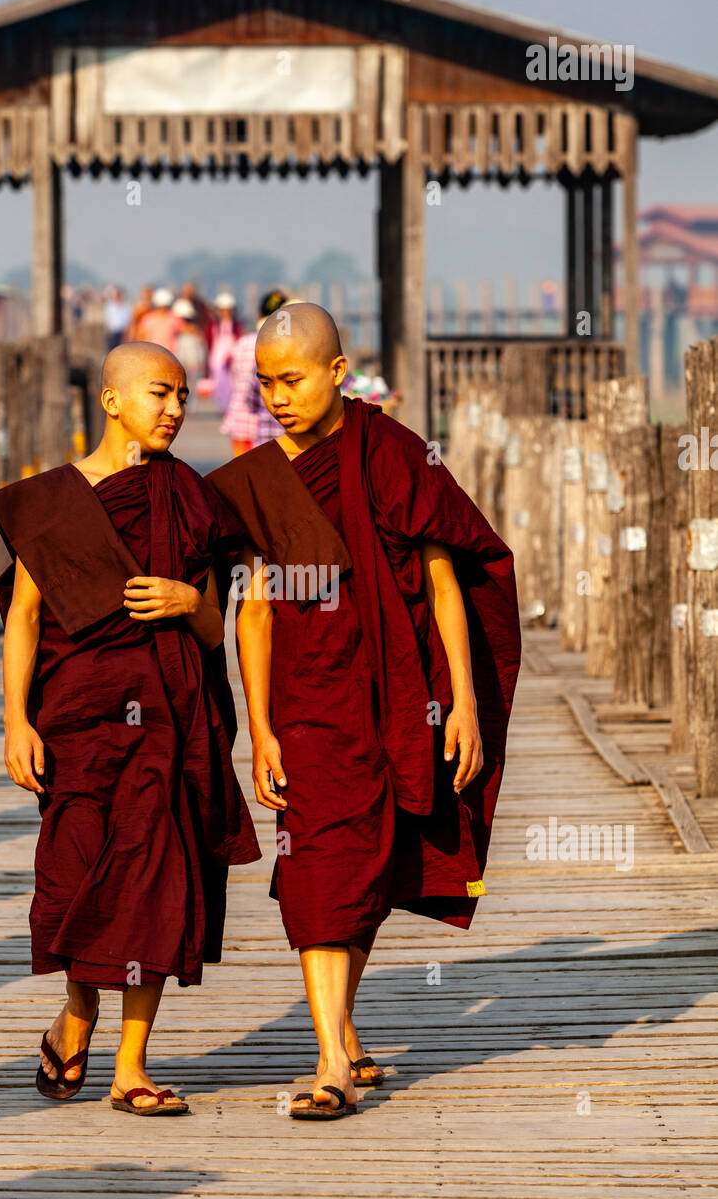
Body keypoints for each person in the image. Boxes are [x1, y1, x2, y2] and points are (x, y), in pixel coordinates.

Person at [207, 303, 521, 1120]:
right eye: (265, 382)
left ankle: (340, 1031)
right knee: (317, 866)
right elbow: (256, 610)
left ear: (338, 373)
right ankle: (327, 1061)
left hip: (400, 698)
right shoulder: (260, 481)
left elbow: (444, 580)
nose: (278, 397)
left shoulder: (392, 452)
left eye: (293, 379)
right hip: (309, 702)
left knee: (372, 862)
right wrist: (262, 728)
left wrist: (464, 706)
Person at [0, 343, 260, 1116]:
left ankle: (132, 1067)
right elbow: (25, 620)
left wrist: (186, 603)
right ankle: (78, 1011)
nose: (175, 409)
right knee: (80, 875)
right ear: (112, 401)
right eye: (159, 393)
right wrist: (15, 722)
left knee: (157, 881)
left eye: (180, 396)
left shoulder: (192, 499)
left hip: (168, 724)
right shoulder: (55, 504)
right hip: (78, 722)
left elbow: (214, 631)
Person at [221, 288, 289, 457]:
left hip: (240, 417)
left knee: (241, 473)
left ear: (259, 314)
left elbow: (233, 377)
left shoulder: (243, 343)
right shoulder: (285, 347)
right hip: (269, 422)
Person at [208, 291, 243, 415]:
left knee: (231, 383)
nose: (225, 313)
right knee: (219, 382)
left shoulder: (236, 325)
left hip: (232, 357)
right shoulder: (214, 324)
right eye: (223, 310)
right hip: (217, 357)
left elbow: (239, 340)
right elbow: (210, 341)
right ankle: (222, 406)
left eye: (227, 310)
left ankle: (230, 406)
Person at [172, 298, 208, 409]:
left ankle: (190, 406)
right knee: (182, 385)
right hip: (183, 361)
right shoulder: (178, 332)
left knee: (192, 386)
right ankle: (184, 404)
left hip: (194, 363)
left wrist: (202, 362)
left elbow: (201, 349)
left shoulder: (196, 332)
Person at [103, 285, 131, 350]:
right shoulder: (110, 306)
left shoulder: (126, 305)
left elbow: (129, 318)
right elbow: (108, 319)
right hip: (113, 332)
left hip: (124, 333)